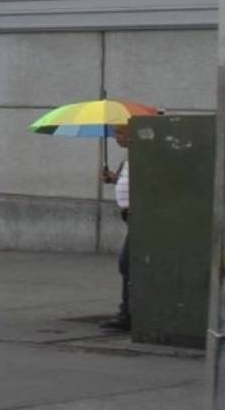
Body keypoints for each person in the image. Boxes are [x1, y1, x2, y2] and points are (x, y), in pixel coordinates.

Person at [100, 125, 132, 332]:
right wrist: (114, 178)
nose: (116, 137)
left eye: (120, 133)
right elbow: (127, 181)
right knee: (127, 263)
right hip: (129, 216)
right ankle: (128, 312)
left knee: (127, 262)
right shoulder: (128, 157)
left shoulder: (142, 155)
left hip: (139, 217)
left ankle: (127, 313)